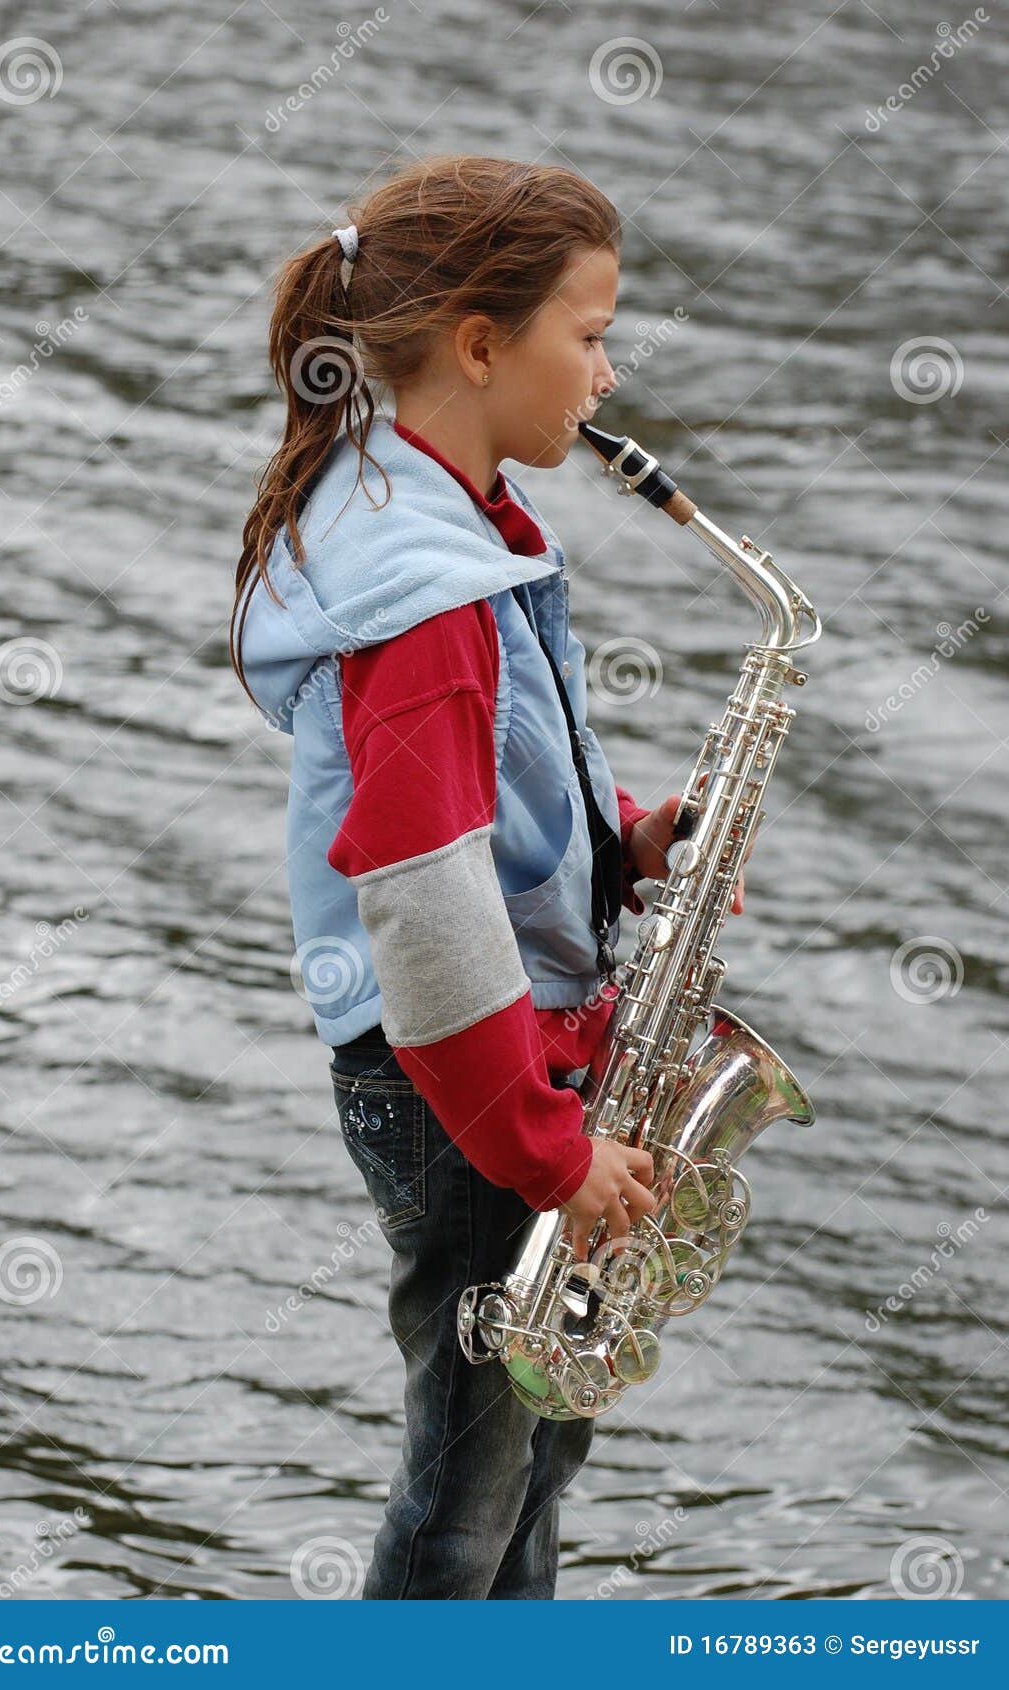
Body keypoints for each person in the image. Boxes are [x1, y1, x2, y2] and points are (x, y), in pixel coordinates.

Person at [230, 154, 746, 1600]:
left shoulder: (442, 518)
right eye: (589, 335)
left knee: (534, 1452)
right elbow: (425, 895)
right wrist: (549, 1152)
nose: (607, 374)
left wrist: (628, 840)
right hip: (462, 1078)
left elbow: (486, 791)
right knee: (464, 1493)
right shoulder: (425, 595)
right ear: (477, 344)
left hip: (488, 1061)